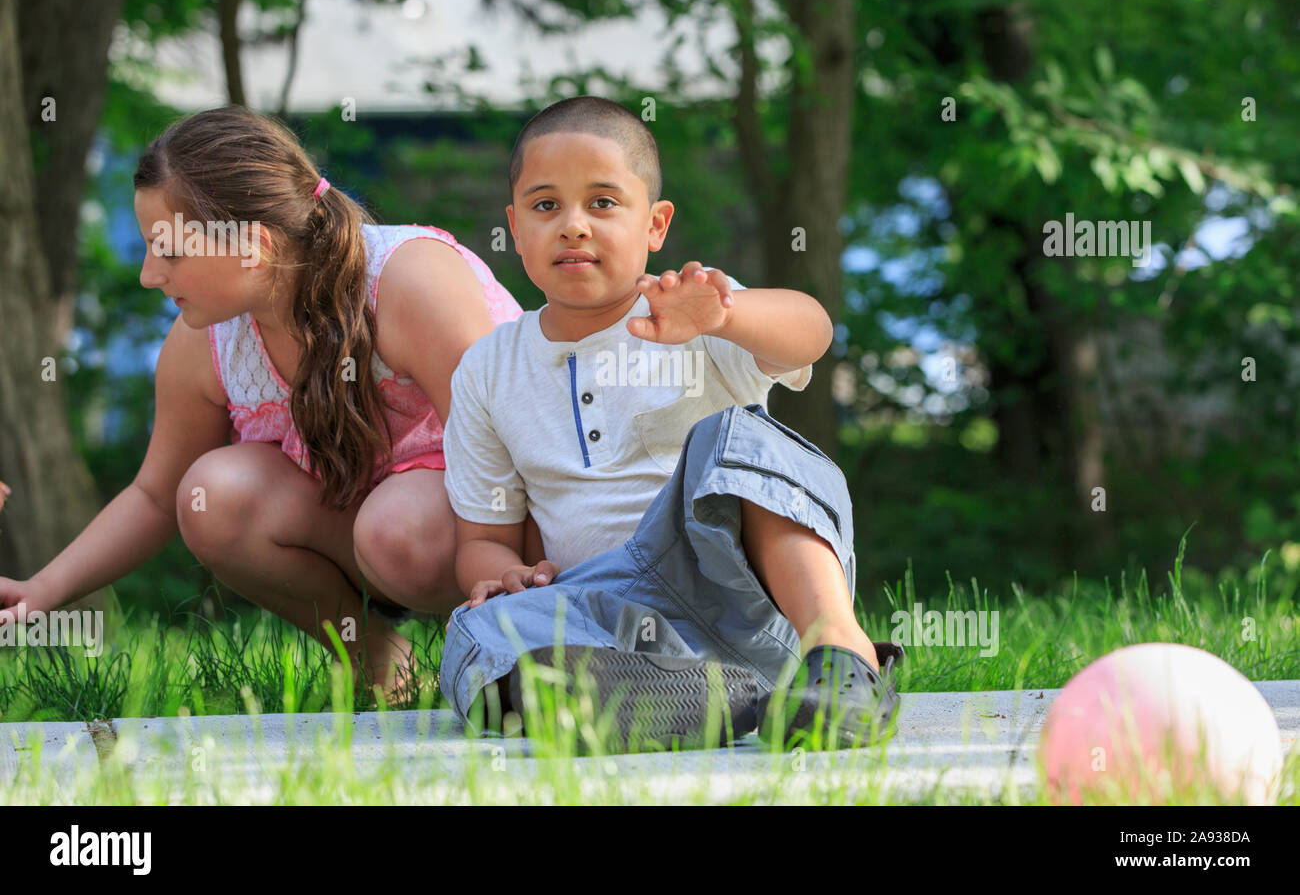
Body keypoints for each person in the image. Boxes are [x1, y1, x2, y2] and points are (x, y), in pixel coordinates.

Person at [0, 106, 540, 705]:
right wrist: (42, 589)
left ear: (252, 246)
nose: (150, 275)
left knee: (397, 526)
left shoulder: (407, 282)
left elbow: (515, 451)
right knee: (213, 495)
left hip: (475, 527)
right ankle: (383, 664)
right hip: (367, 532)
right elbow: (155, 495)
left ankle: (516, 650)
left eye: (168, 251)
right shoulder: (205, 342)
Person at [440, 96, 902, 750]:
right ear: (515, 227)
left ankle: (842, 660)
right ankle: (685, 699)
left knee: (733, 436)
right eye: (546, 206)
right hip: (603, 617)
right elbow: (482, 538)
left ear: (655, 225)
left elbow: (811, 331)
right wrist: (498, 575)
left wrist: (724, 317)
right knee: (473, 627)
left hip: (744, 591)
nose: (573, 226)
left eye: (602, 203)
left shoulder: (692, 311)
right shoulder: (488, 367)